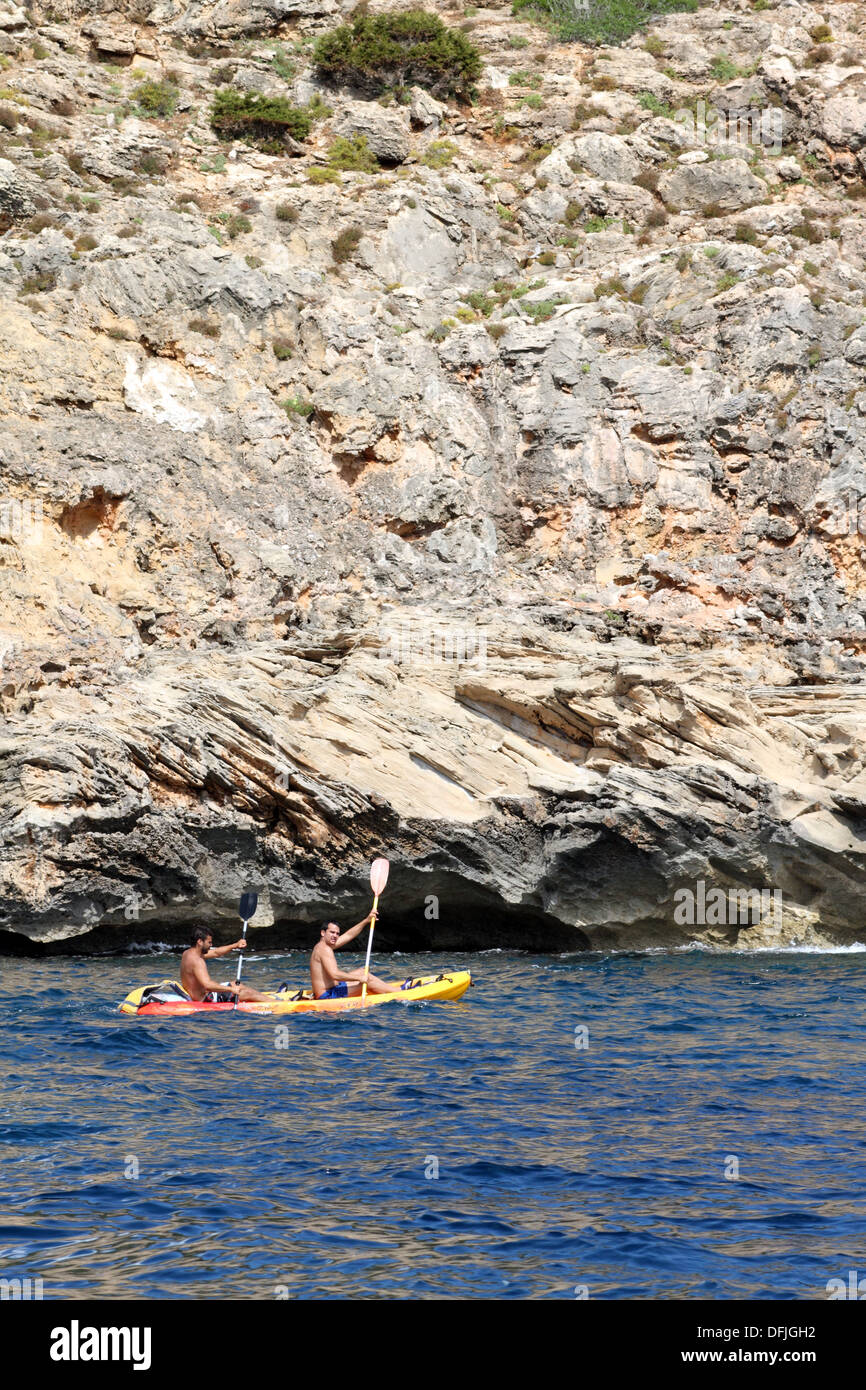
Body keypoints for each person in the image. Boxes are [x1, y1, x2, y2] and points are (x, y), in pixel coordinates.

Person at [310, 914, 400, 1000]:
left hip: (332, 988)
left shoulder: (323, 946)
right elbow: (335, 974)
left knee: (362, 972)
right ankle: (400, 992)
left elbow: (348, 935)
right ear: (323, 933)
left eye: (337, 933)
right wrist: (359, 978)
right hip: (327, 995)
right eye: (332, 932)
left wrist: (366, 920)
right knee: (368, 979)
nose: (335, 936)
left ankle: (388, 989)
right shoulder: (325, 949)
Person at [180, 926, 267, 1003]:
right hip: (206, 999)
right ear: (200, 942)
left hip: (196, 995)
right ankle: (276, 1003)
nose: (211, 945)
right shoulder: (198, 961)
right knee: (244, 992)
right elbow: (208, 985)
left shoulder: (187, 953)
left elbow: (216, 952)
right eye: (209, 942)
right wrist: (231, 989)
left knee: (237, 985)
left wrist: (235, 945)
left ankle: (267, 999)